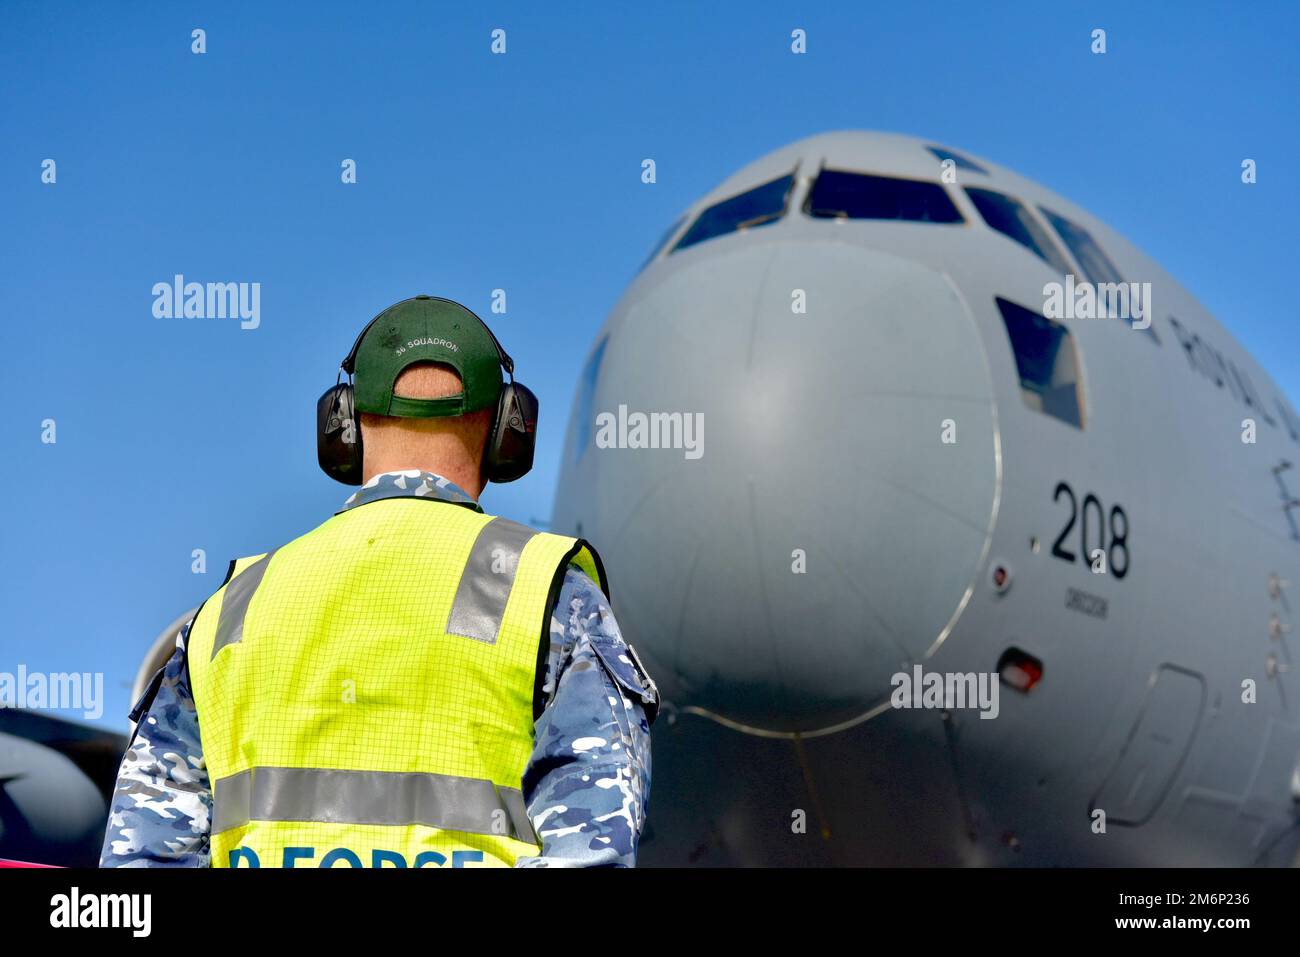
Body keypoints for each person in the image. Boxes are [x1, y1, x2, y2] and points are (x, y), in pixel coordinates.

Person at [100, 295, 658, 868]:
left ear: (340, 426)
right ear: (507, 431)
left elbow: (140, 860)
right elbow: (591, 848)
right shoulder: (547, 590)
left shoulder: (231, 608)